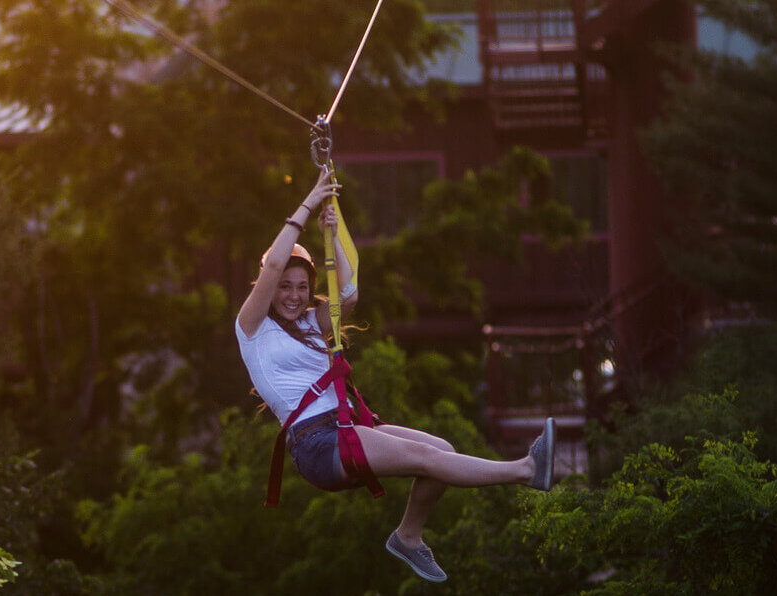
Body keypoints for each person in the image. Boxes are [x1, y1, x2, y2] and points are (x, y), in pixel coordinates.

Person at [234, 169, 556, 583]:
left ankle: (408, 536)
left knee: (442, 448)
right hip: (317, 442)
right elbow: (276, 260)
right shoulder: (252, 330)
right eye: (284, 287)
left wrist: (331, 231)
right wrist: (312, 199)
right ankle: (527, 471)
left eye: (301, 287)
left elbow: (348, 293)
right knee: (428, 459)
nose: (294, 296)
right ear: (267, 287)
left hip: (347, 425)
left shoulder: (313, 325)